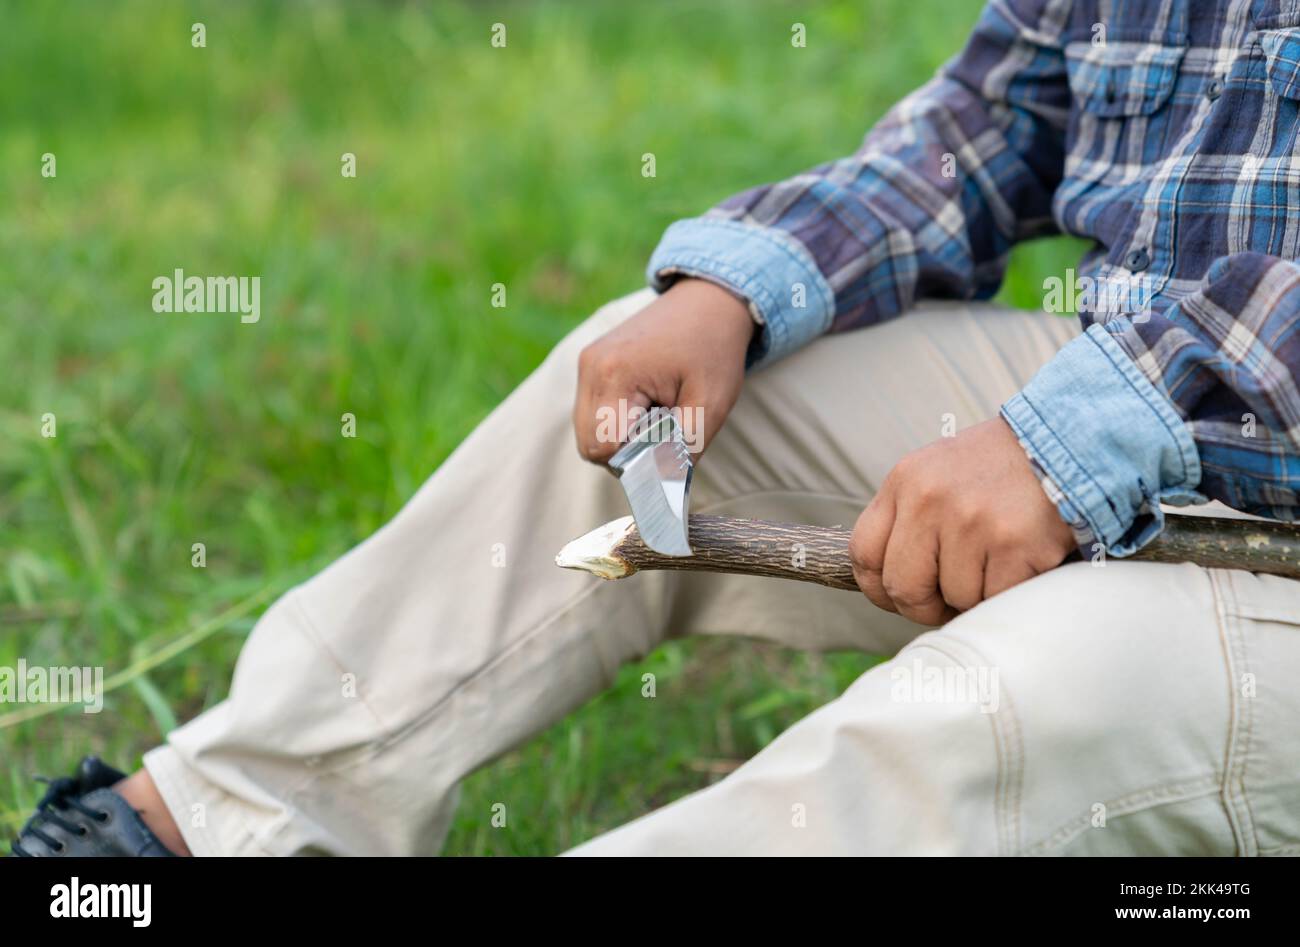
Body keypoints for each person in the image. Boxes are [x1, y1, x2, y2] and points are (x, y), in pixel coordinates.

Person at [14, 0, 1300, 857]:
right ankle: (195, 825)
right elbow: (995, 121)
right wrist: (739, 287)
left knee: (1011, 695)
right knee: (659, 418)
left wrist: (1087, 437)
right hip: (1146, 394)